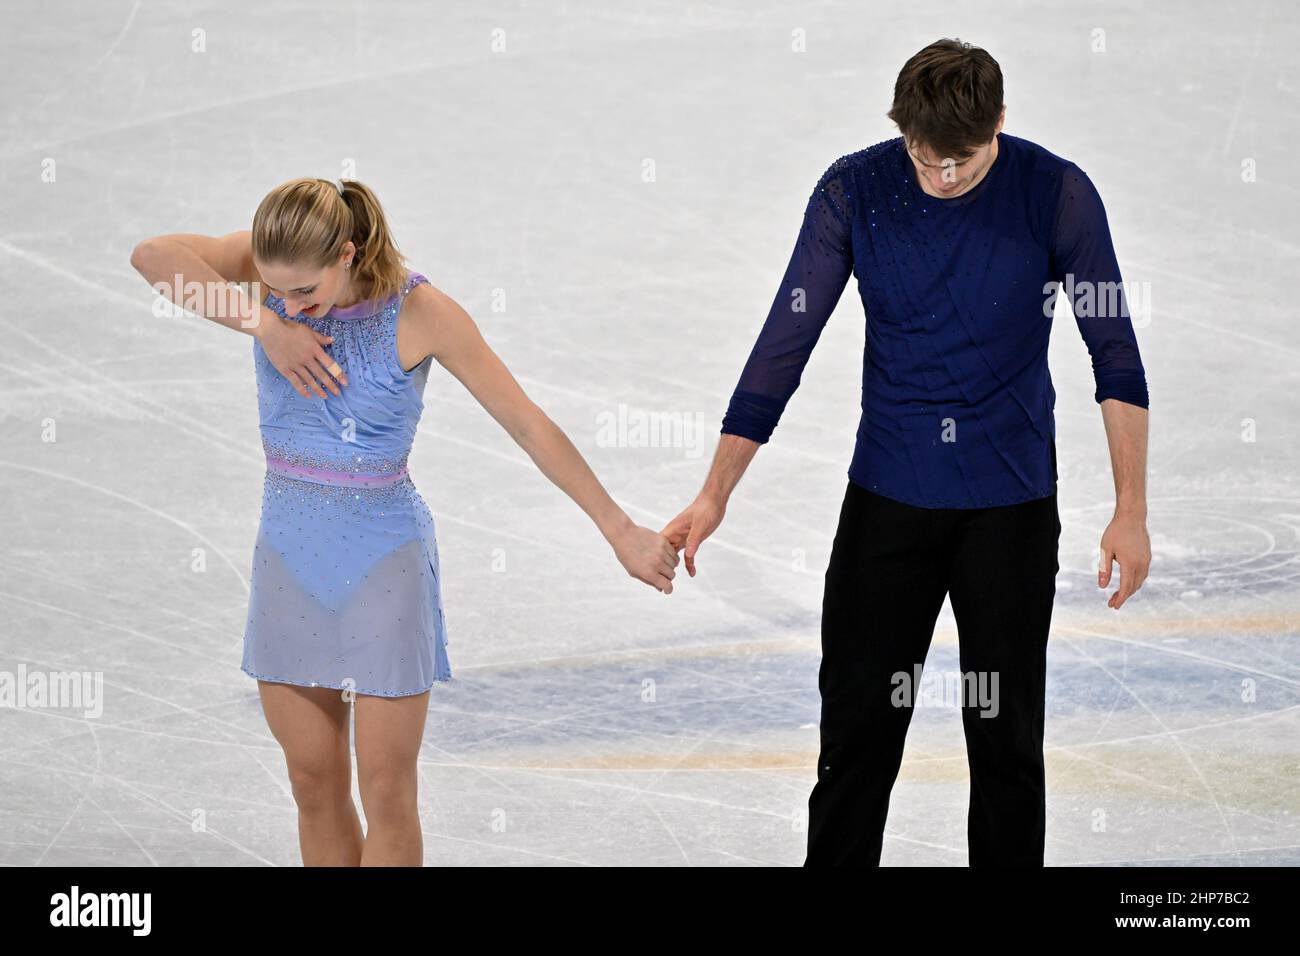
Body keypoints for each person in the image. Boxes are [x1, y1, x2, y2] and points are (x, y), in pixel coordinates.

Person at [662, 38, 1151, 866]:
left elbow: (1116, 354)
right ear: (902, 132)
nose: (944, 177)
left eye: (961, 160)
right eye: (926, 159)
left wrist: (1130, 510)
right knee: (855, 742)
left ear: (1000, 122)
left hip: (1010, 511)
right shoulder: (855, 189)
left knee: (1004, 747)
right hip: (887, 507)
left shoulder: (1057, 194)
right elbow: (785, 342)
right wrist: (716, 492)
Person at [129, 177, 678, 866]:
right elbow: (152, 256)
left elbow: (528, 425)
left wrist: (620, 530)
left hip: (382, 567)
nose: (292, 304)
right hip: (288, 561)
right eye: (276, 291)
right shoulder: (277, 288)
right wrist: (265, 325)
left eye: (303, 292)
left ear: (347, 255)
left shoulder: (421, 312)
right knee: (311, 780)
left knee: (386, 788)